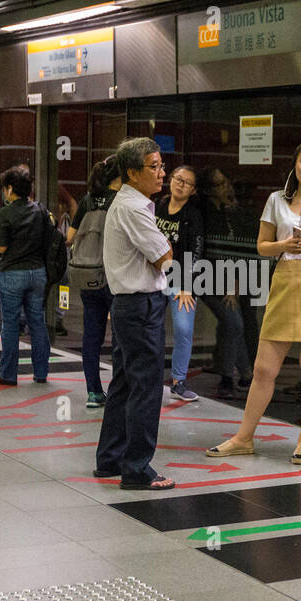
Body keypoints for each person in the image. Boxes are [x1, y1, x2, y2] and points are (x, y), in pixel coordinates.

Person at [206, 139, 301, 464]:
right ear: (294, 164)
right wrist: (285, 243)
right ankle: (244, 437)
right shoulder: (275, 200)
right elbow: (261, 246)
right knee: (263, 368)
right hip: (284, 282)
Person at [93, 138, 175, 491]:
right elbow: (164, 258)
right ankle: (137, 469)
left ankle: (110, 459)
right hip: (141, 307)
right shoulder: (133, 208)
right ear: (132, 172)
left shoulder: (129, 203)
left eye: (161, 165)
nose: (162, 173)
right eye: (154, 167)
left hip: (129, 305)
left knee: (125, 383)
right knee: (146, 387)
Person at [0, 165, 52, 387]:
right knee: (37, 323)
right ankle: (41, 373)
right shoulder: (40, 210)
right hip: (38, 273)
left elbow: (2, 248)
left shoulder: (5, 213)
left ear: (10, 189)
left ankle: (8, 375)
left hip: (13, 274)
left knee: (11, 325)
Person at [67, 158, 120, 407]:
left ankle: (94, 392)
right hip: (112, 276)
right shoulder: (119, 201)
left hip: (88, 274)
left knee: (92, 335)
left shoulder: (88, 200)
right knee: (120, 337)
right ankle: (120, 392)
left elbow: (70, 236)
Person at [197, 167, 251, 399]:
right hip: (207, 279)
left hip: (228, 278)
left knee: (234, 325)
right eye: (220, 184)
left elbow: (236, 251)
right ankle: (229, 378)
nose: (226, 186)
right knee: (235, 324)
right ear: (209, 191)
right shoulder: (206, 213)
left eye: (225, 181)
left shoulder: (228, 212)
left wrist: (235, 282)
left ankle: (246, 374)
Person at [155, 164, 205, 402]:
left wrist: (188, 285)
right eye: (177, 178)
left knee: (184, 330)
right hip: (154, 277)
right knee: (151, 329)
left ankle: (178, 381)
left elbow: (196, 251)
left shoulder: (193, 215)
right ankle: (150, 376)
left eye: (187, 182)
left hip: (180, 280)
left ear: (193, 190)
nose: (180, 184)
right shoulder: (159, 206)